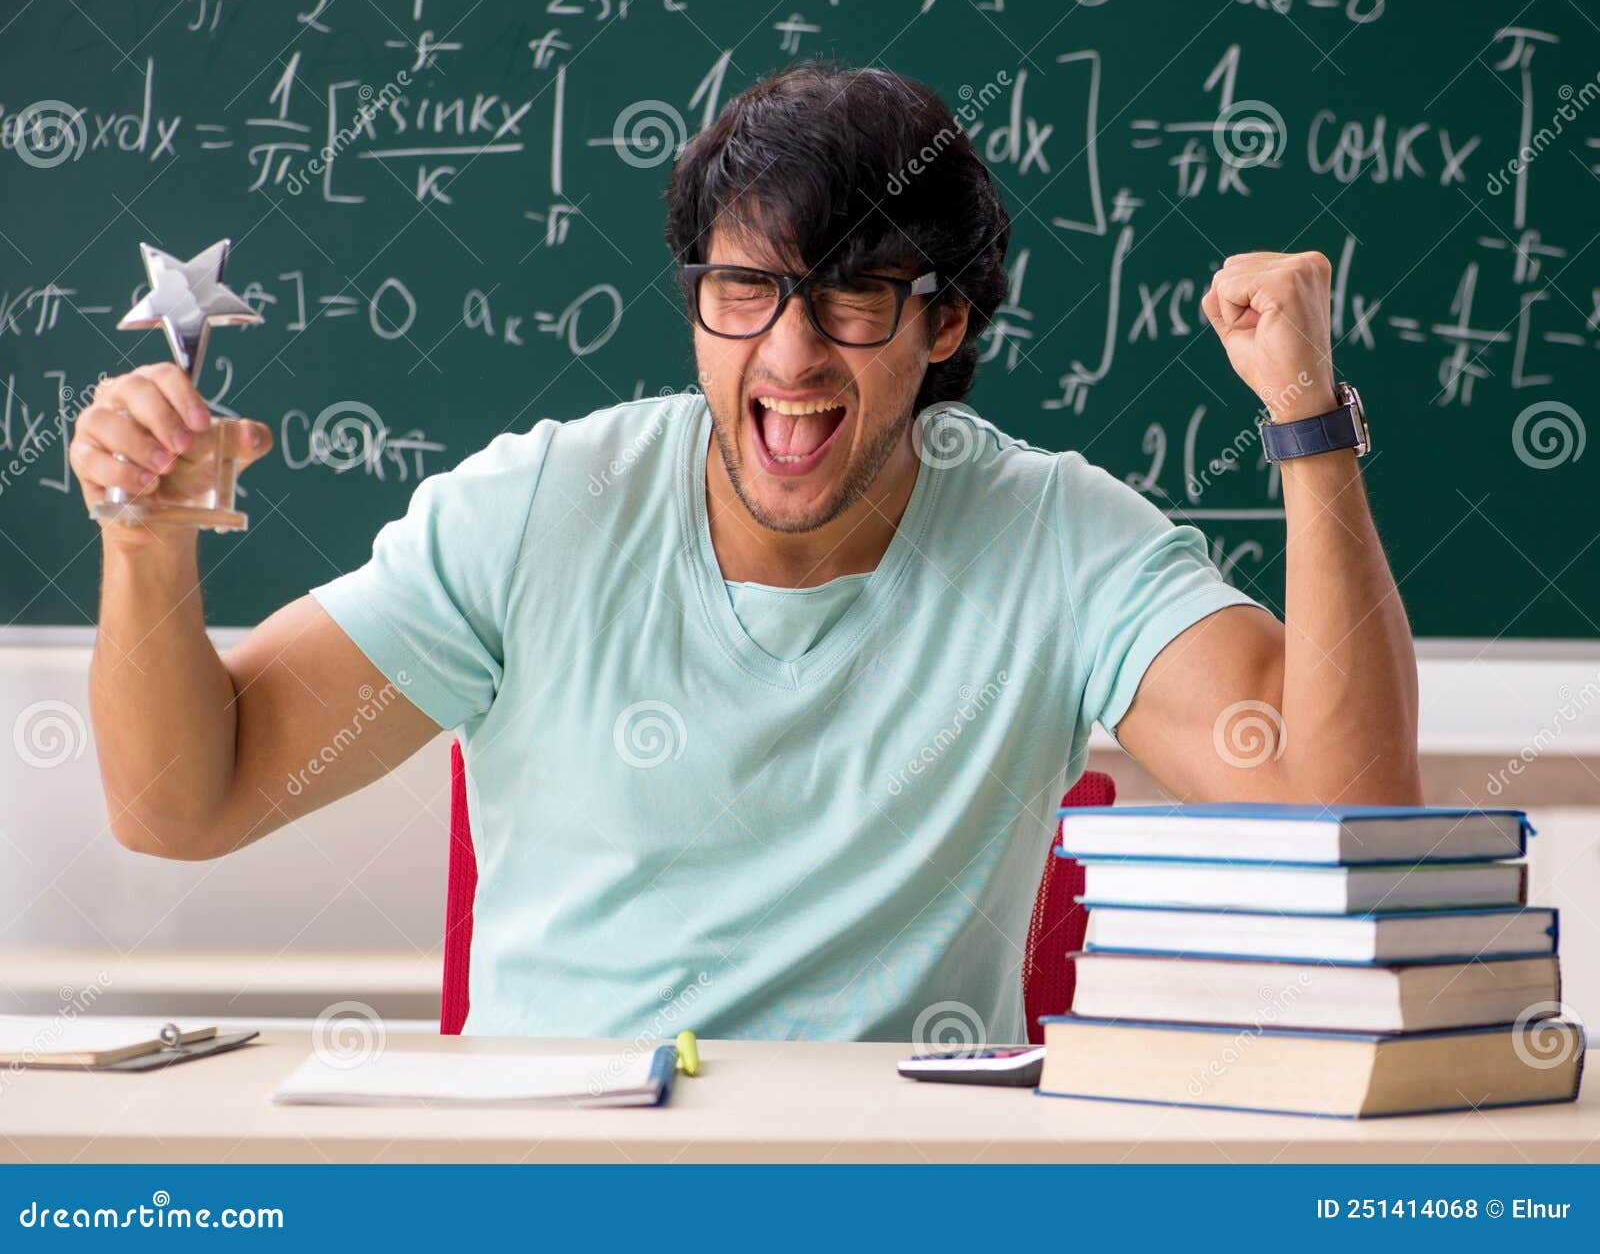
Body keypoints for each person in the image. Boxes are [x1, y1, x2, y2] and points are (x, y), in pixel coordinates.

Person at [71, 62, 1420, 1042]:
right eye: (744, 289)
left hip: (889, 1193)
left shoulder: (1057, 539)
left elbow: (1336, 822)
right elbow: (185, 804)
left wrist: (1309, 421)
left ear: (943, 326)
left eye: (850, 294)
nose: (788, 353)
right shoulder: (545, 504)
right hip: (546, 1184)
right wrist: (143, 537)